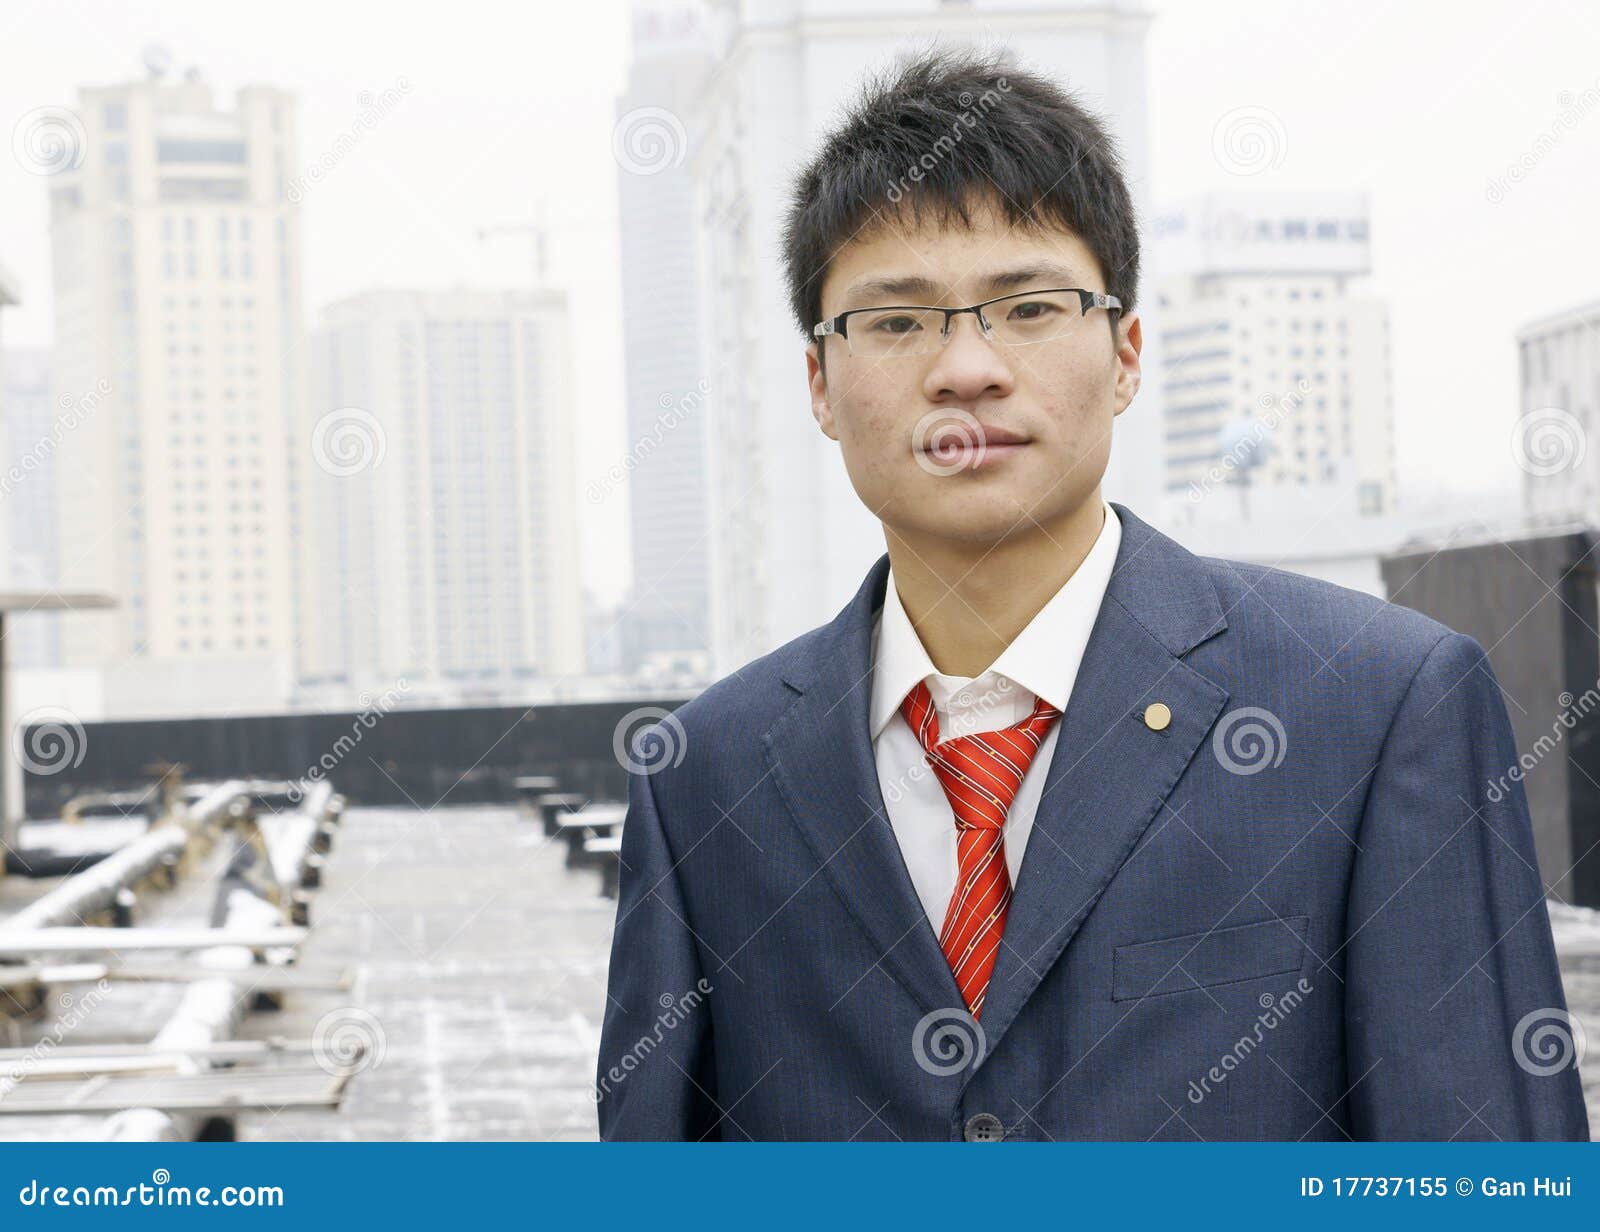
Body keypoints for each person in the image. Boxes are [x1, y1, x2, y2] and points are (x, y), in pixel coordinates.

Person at [596, 45, 1590, 1141]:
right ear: (819, 385)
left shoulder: (1374, 709)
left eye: (1026, 306)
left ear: (1125, 353)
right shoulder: (706, 780)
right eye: (895, 320)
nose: (965, 367)